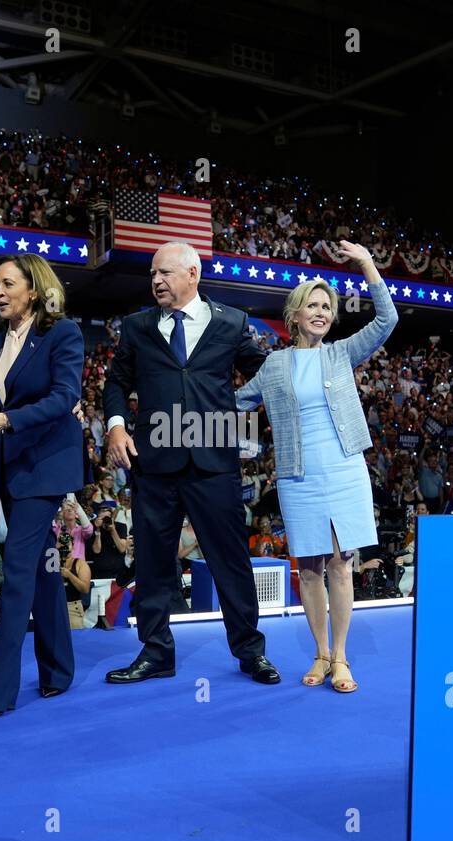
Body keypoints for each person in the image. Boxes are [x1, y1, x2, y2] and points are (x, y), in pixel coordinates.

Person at [104, 241, 279, 685]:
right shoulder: (138, 326)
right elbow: (116, 382)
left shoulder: (232, 322)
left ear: (192, 275)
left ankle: (250, 652)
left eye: (165, 273)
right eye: (152, 275)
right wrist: (117, 427)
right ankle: (156, 652)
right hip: (154, 464)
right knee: (153, 562)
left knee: (231, 561)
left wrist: (237, 406)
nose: (156, 281)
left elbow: (266, 372)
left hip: (213, 461)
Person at [236, 240, 399, 693]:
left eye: (328, 306)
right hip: (297, 476)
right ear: (295, 314)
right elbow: (234, 402)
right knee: (309, 567)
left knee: (342, 564)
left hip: (345, 470)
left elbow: (388, 320)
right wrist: (171, 404)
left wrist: (367, 264)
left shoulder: (341, 352)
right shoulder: (273, 365)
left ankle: (342, 658)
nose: (323, 312)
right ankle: (321, 654)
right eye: (314, 304)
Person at [0, 253, 83, 720]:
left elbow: (65, 396)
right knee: (41, 567)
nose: (0, 291)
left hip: (44, 467)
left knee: (16, 570)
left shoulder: (62, 333)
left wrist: (6, 420)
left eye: (9, 283)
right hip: (8, 466)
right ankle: (58, 670)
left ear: (34, 289)